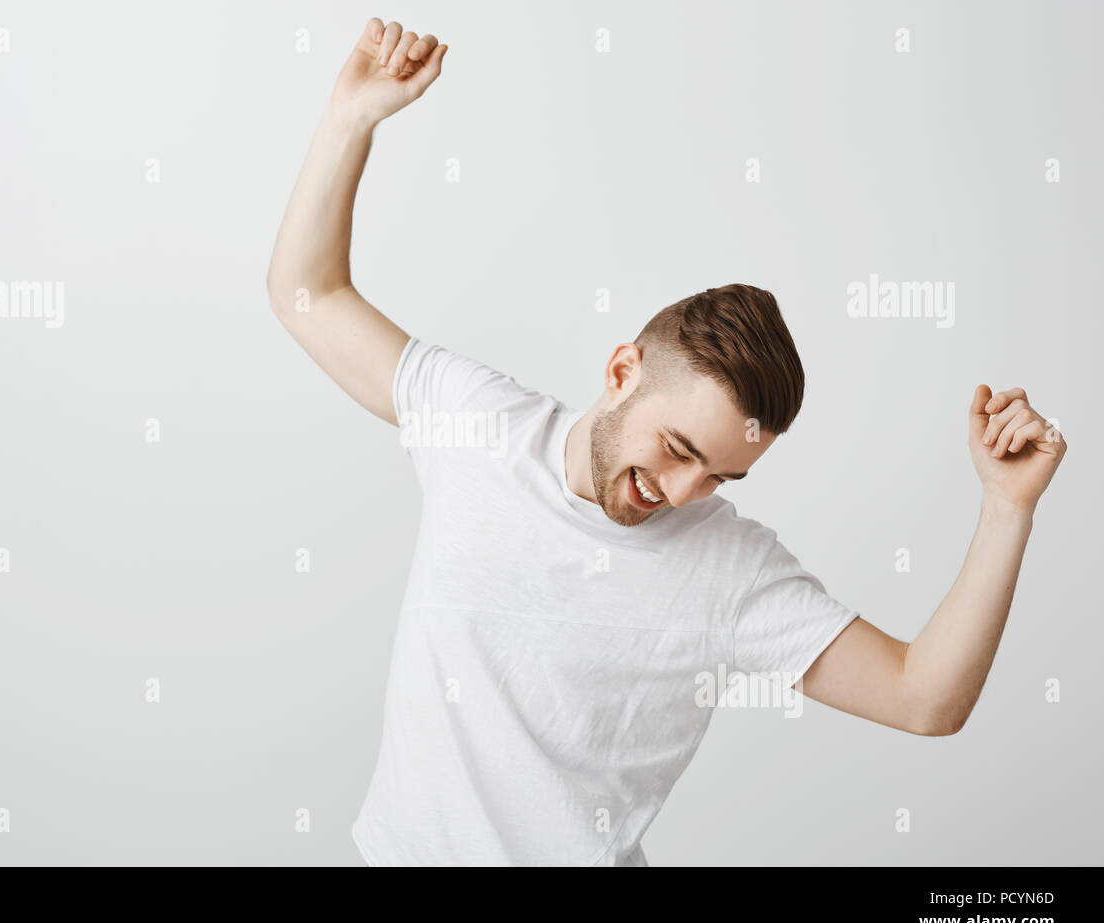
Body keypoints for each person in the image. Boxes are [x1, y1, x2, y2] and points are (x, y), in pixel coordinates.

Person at [265, 18, 1068, 866]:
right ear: (621, 372)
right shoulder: (475, 425)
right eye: (680, 448)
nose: (684, 493)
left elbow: (922, 699)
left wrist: (1005, 509)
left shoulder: (729, 569)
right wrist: (350, 117)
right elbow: (305, 292)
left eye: (721, 475)